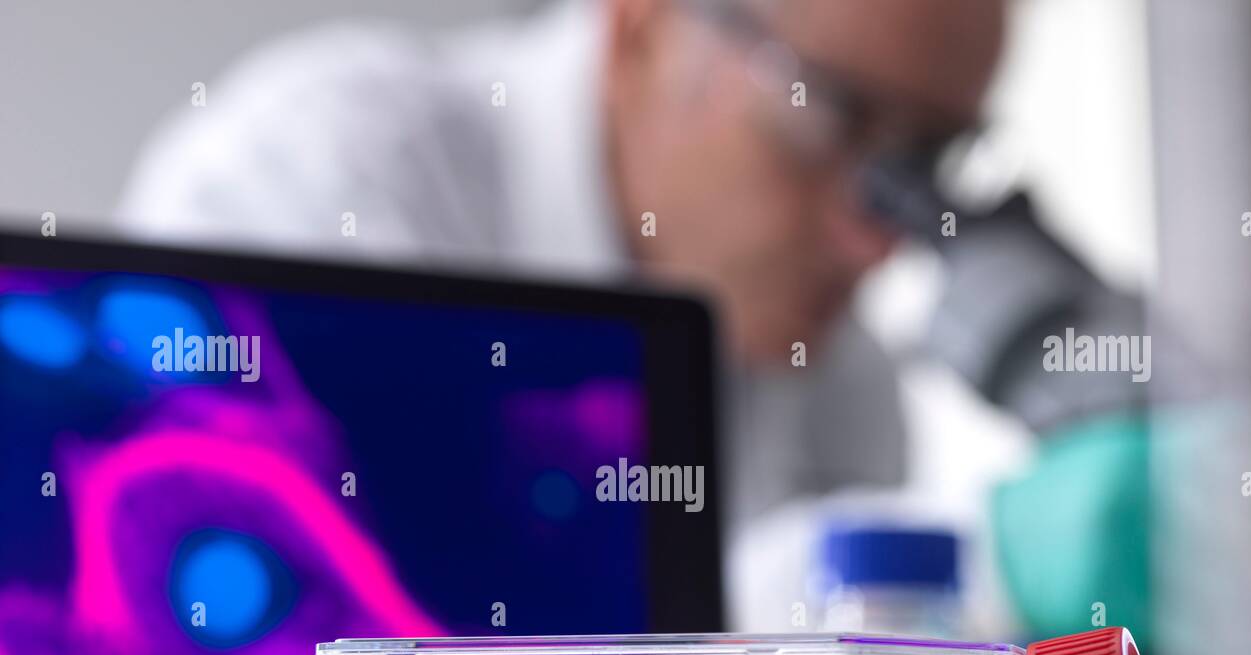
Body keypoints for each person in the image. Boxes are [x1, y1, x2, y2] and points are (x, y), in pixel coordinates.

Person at [118, 0, 1006, 529]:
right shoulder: (317, 182)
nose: (880, 240)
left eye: (930, 163)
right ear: (644, 27)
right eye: (835, 120)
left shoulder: (839, 383)